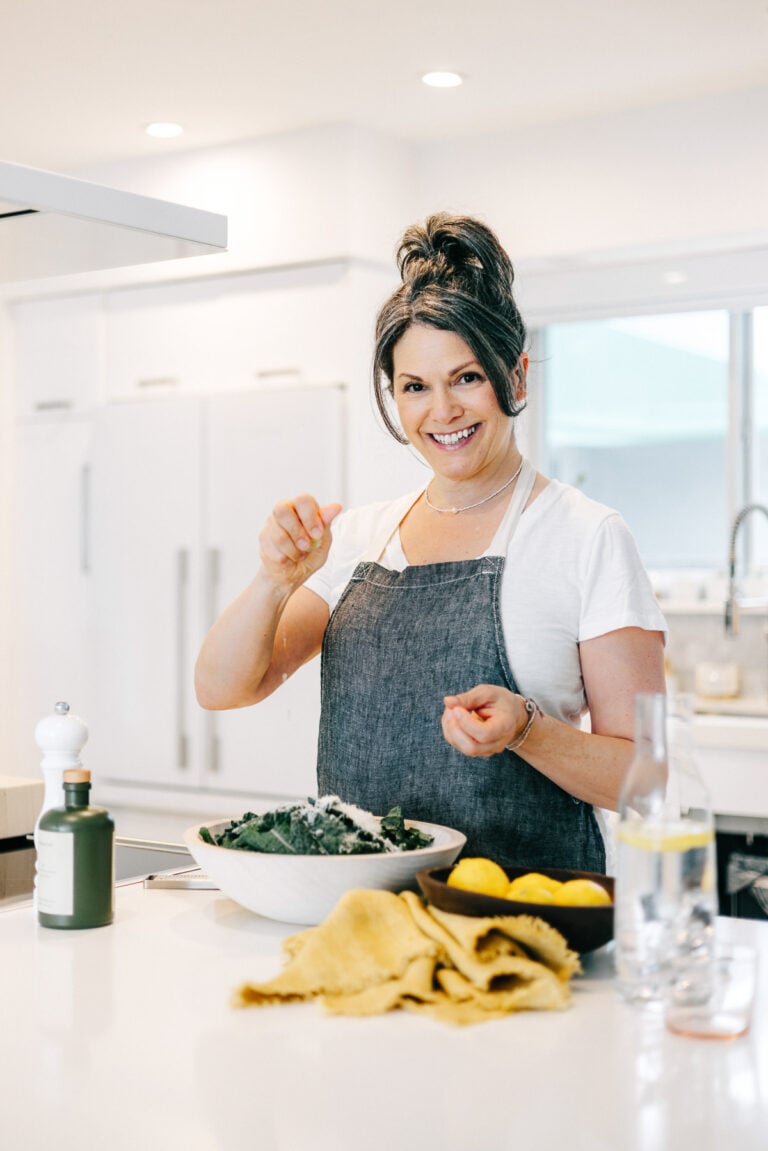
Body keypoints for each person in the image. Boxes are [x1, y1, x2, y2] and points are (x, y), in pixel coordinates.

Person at [195, 213, 667, 873]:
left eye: (466, 377)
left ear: (518, 377)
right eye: (415, 387)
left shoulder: (586, 536)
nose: (441, 410)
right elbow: (223, 687)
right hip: (364, 920)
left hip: (523, 926)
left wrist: (528, 729)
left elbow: (646, 779)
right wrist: (273, 580)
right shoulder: (361, 537)